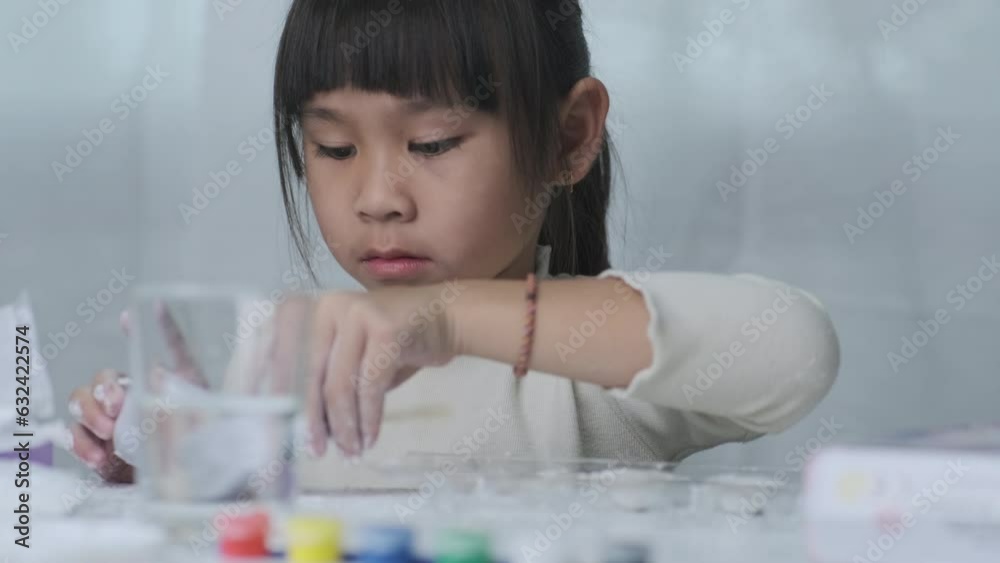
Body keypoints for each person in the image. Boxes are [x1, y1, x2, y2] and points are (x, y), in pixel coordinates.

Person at [67, 0, 839, 485]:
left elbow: (796, 348)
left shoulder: (591, 370)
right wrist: (166, 458)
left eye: (433, 143)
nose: (377, 199)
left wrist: (449, 317)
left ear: (568, 137)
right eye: (334, 148)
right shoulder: (285, 354)